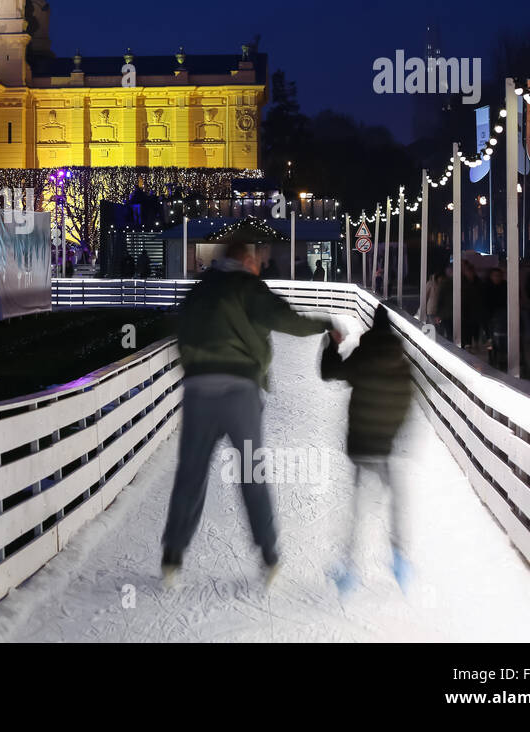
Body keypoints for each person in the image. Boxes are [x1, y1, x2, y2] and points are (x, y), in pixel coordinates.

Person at [161, 241, 342, 586]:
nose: (260, 267)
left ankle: (172, 557)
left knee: (190, 475)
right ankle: (269, 556)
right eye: (258, 262)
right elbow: (286, 319)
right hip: (239, 390)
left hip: (199, 390)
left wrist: (196, 366)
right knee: (251, 473)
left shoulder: (198, 292)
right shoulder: (249, 288)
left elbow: (178, 331)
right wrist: (324, 324)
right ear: (246, 261)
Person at [320, 304, 414, 594]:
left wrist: (329, 346)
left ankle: (349, 570)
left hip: (362, 444)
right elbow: (405, 402)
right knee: (396, 501)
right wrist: (393, 433)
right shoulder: (401, 364)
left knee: (360, 508)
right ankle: (400, 561)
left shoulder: (362, 356)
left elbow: (329, 372)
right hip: (385, 446)